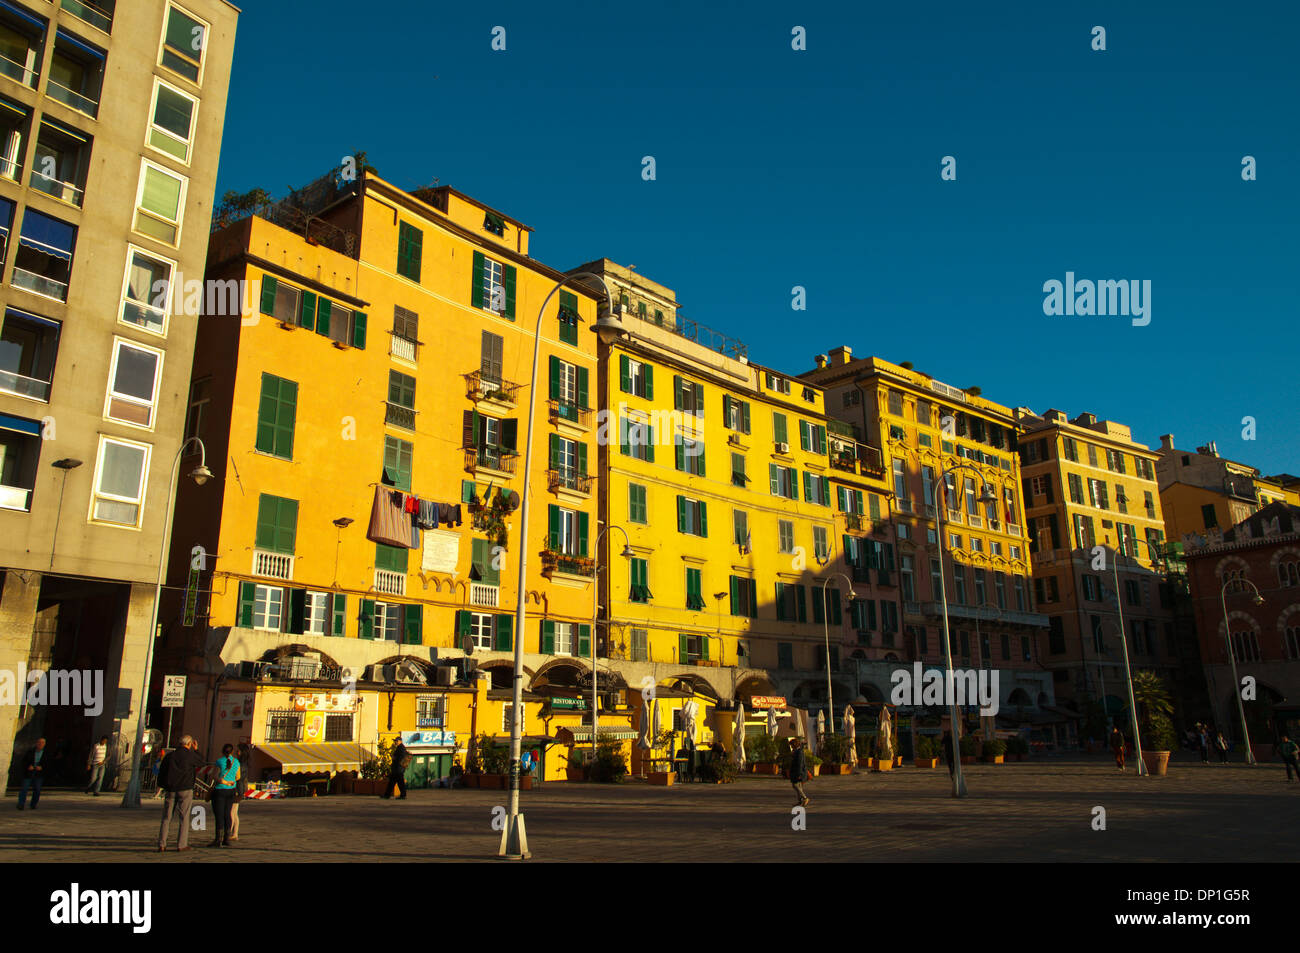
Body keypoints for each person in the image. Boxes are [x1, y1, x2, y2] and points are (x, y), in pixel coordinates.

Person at [157, 736, 202, 852]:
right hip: (185, 788)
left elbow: (162, 772)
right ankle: (181, 844)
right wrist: (196, 750)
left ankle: (162, 844)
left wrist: (163, 786)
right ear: (190, 744)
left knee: (166, 817)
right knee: (184, 817)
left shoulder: (169, 756)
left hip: (171, 789)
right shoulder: (190, 755)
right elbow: (201, 762)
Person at [209, 743, 241, 847]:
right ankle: (226, 839)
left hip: (220, 790)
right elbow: (238, 776)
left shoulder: (219, 761)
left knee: (219, 815)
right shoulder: (236, 762)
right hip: (231, 790)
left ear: (222, 751)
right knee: (227, 814)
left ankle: (218, 839)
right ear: (232, 752)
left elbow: (215, 776)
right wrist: (230, 782)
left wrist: (224, 782)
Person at [228, 742, 250, 841]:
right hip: (239, 789)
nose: (237, 751)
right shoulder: (244, 763)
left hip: (237, 789)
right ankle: (235, 833)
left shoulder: (241, 764)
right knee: (234, 812)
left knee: (231, 812)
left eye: (239, 750)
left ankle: (229, 833)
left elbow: (238, 777)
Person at [17, 738, 47, 810]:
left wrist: (42, 767)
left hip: (39, 773)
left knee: (37, 789)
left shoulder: (46, 753)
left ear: (44, 744)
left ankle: (33, 804)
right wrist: (28, 766)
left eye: (42, 743)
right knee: (24, 788)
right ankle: (21, 804)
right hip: (29, 772)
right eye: (39, 742)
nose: (40, 744)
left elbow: (49, 764)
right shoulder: (30, 751)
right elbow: (24, 761)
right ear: (36, 743)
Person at [789, 737, 810, 807]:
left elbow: (800, 763)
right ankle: (800, 801)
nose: (791, 747)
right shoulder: (797, 751)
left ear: (794, 745)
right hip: (796, 772)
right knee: (799, 786)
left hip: (799, 772)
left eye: (791, 745)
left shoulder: (799, 752)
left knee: (795, 785)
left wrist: (799, 774)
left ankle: (804, 798)